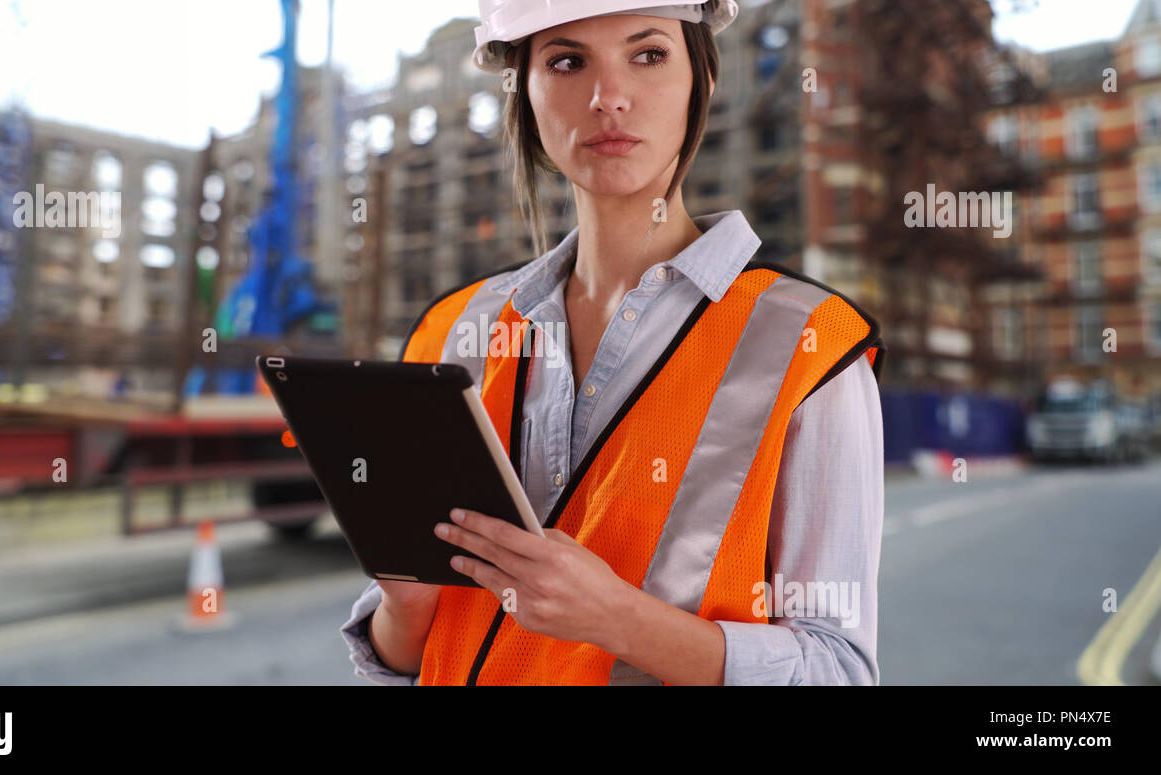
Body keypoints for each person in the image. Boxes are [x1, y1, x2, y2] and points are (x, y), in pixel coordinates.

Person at [340, 0, 885, 685]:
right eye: (567, 62)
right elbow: (402, 658)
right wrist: (407, 605)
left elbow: (838, 670)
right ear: (525, 95)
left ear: (702, 80)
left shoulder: (807, 345)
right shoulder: (454, 334)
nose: (608, 98)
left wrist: (617, 619)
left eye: (649, 54)